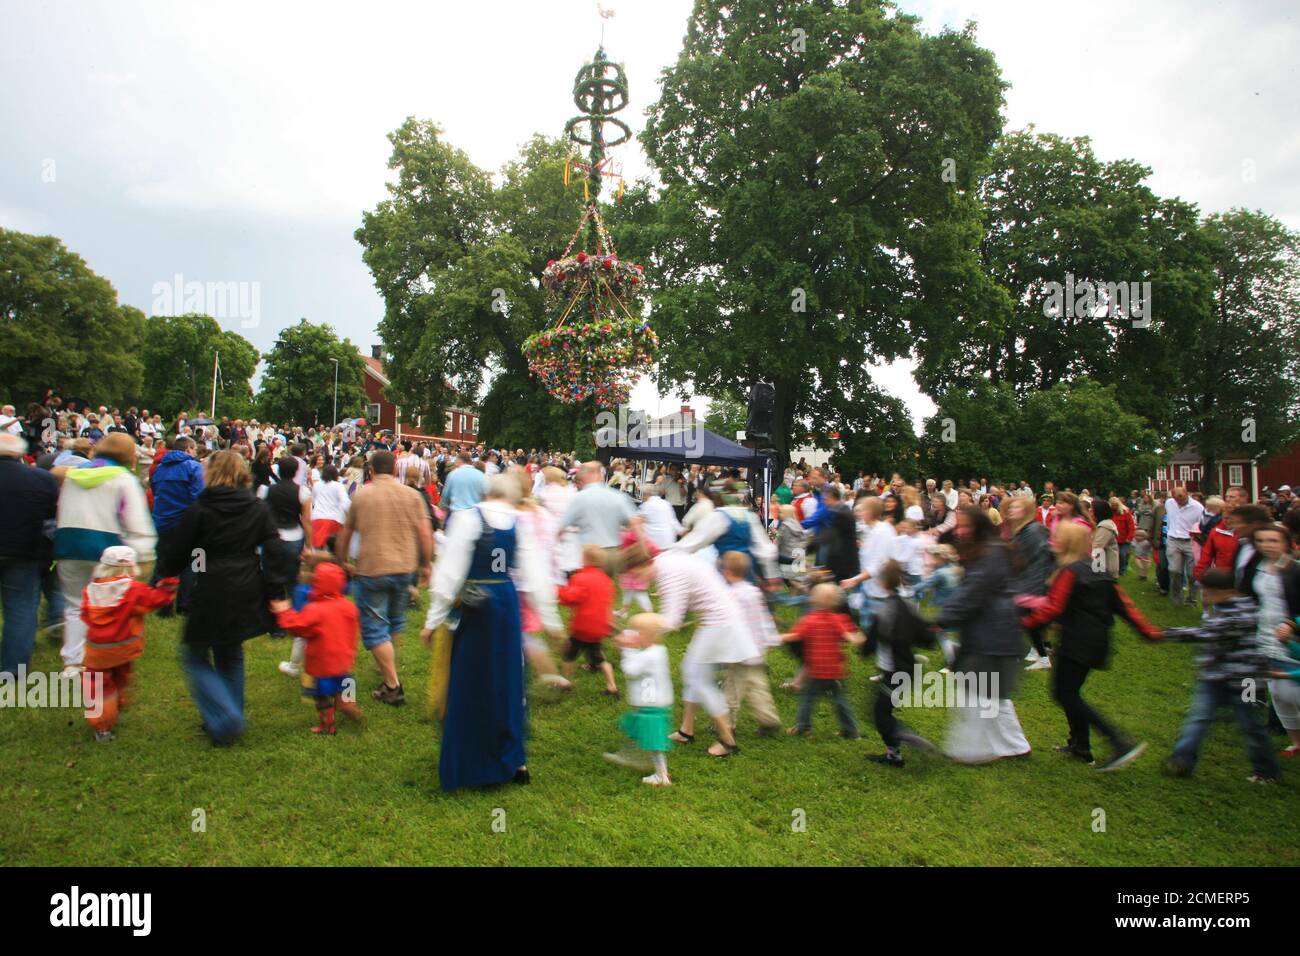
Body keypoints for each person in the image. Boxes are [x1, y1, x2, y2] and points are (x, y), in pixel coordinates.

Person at [421, 474, 563, 790]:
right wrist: (552, 622)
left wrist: (432, 621)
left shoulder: (469, 518)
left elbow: (449, 574)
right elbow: (537, 576)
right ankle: (512, 758)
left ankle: (471, 763)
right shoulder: (520, 522)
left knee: (471, 680)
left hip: (476, 606)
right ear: (511, 496)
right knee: (507, 678)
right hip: (504, 603)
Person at [158, 450, 285, 745]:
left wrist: (167, 574)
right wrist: (276, 590)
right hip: (246, 584)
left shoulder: (201, 508)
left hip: (211, 585)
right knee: (230, 651)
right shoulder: (256, 507)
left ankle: (226, 717)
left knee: (194, 654)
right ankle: (227, 717)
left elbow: (178, 549)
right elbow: (274, 549)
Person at [1019, 522, 1158, 771]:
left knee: (1065, 693)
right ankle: (1080, 746)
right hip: (1096, 640)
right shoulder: (1097, 567)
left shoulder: (1070, 571)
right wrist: (1147, 631)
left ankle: (1118, 741)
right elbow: (1124, 605)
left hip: (1077, 641)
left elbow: (1053, 607)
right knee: (1070, 692)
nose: (1053, 540)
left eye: (1057, 537)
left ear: (1068, 542)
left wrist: (1023, 622)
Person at [1160, 568, 1280, 783]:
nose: (1204, 597)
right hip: (1215, 676)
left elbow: (1210, 633)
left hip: (1246, 680)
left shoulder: (1242, 613)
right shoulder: (1222, 606)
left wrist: (1168, 633)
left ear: (1226, 591)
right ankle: (1182, 759)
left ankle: (1267, 770)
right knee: (1199, 717)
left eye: (1207, 592)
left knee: (1250, 723)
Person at [52, 432, 156, 675]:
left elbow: (61, 510)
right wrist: (144, 553)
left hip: (70, 544)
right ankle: (104, 657)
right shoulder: (124, 480)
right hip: (107, 549)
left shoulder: (73, 476)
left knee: (75, 604)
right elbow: (136, 520)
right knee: (108, 608)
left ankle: (73, 661)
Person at [335, 450, 433, 706]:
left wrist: (342, 560)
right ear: (394, 469)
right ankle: (387, 667)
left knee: (376, 626)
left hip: (373, 568)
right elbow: (425, 533)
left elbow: (345, 533)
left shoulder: (362, 494)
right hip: (404, 568)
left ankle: (392, 685)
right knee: (394, 620)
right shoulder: (412, 496)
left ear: (372, 470)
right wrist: (426, 564)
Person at [937, 505, 1031, 764]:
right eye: (958, 525)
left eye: (964, 526)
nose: (959, 531)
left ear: (979, 527)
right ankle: (1015, 745)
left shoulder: (991, 555)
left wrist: (939, 621)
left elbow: (972, 594)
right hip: (991, 630)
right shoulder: (986, 552)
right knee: (991, 694)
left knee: (976, 692)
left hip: (993, 633)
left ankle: (970, 750)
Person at [78, 545, 178, 741]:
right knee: (121, 677)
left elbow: (84, 614)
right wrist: (169, 584)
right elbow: (154, 600)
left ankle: (103, 725)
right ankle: (118, 705)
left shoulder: (90, 590)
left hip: (97, 651)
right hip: (125, 647)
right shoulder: (133, 589)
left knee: (98, 688)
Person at [270, 560, 363, 735]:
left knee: (321, 695)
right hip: (345, 661)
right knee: (345, 684)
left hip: (322, 665)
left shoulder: (314, 610)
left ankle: (328, 726)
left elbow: (297, 627)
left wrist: (283, 611)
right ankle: (348, 703)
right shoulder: (349, 607)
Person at [865, 560, 936, 767]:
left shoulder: (886, 610)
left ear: (882, 582)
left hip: (895, 671)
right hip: (907, 669)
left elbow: (869, 645)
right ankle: (893, 756)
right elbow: (927, 639)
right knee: (882, 711)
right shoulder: (909, 607)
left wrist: (867, 642)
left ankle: (909, 738)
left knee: (881, 714)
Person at [0, 433, 58, 676]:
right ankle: (13, 668)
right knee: (21, 609)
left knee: (21, 608)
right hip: (24, 551)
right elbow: (50, 512)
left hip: (23, 550)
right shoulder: (40, 479)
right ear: (20, 453)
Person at [780, 583, 865, 737]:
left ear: (813, 600)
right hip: (835, 670)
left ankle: (803, 727)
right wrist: (860, 639)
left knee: (807, 698)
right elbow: (849, 636)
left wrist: (776, 638)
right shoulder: (838, 619)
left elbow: (795, 636)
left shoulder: (809, 620)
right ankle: (851, 730)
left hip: (816, 670)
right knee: (840, 701)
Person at [1246, 524, 1300, 757]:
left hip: (1292, 641)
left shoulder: (1295, 570)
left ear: (1286, 543)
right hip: (1265, 636)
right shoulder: (1258, 567)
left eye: (1273, 540)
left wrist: (1292, 624)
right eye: (1262, 540)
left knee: (1293, 692)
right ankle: (1297, 743)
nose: (1267, 545)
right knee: (1278, 694)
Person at [605, 612, 675, 786]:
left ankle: (661, 776)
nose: (629, 635)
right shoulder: (658, 651)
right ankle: (628, 754)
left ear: (644, 636)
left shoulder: (648, 656)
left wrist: (627, 649)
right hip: (649, 705)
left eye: (633, 632)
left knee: (654, 745)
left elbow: (630, 670)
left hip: (650, 708)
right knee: (636, 730)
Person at [719, 551, 782, 736]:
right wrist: (770, 639)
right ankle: (769, 719)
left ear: (727, 571)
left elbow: (728, 624)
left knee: (732, 688)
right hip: (757, 648)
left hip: (740, 650)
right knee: (756, 684)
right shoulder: (753, 591)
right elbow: (763, 618)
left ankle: (727, 725)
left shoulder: (730, 596)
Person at [149, 436, 205, 614]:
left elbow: (156, 491)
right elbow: (199, 496)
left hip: (163, 520)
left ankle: (163, 603)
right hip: (187, 521)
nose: (195, 452)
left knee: (165, 561)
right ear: (188, 448)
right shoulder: (194, 467)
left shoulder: (159, 469)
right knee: (195, 561)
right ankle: (186, 603)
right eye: (194, 449)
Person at [557, 543, 619, 696]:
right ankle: (612, 686)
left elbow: (570, 598)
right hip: (599, 627)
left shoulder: (580, 578)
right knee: (599, 657)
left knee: (569, 655)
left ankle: (566, 683)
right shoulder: (607, 580)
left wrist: (558, 590)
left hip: (582, 627)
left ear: (585, 559)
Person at [559, 461, 637, 571]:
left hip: (590, 554)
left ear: (588, 474)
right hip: (613, 553)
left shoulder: (579, 498)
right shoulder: (618, 496)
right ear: (601, 475)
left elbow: (562, 526)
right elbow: (634, 523)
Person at [1165, 485, 1205, 607]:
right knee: (1174, 570)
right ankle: (1177, 598)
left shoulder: (1197, 508)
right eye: (1177, 500)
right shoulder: (1169, 503)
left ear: (1187, 495)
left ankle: (1192, 599)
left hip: (1190, 541)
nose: (1179, 502)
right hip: (1173, 539)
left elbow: (1202, 525)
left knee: (1192, 573)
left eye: (1182, 499)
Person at [309, 464, 350, 548]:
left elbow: (313, 501)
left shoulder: (317, 485)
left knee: (317, 546)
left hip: (317, 518)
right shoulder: (338, 486)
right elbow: (345, 502)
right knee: (333, 548)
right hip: (334, 519)